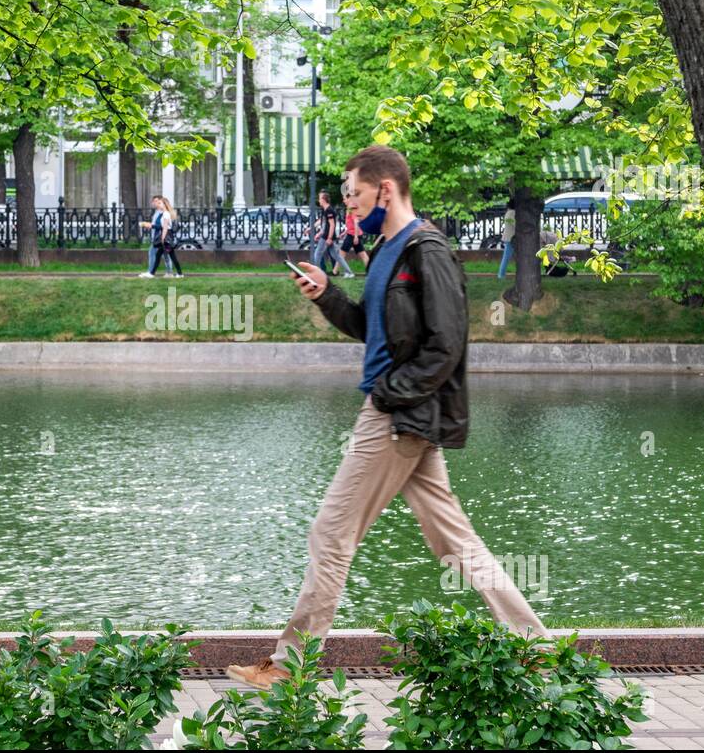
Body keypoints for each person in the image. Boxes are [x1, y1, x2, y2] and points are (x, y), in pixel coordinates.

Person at [226, 144, 548, 690]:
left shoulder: (427, 251)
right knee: (456, 542)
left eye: (353, 193)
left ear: (386, 189)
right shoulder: (385, 252)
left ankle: (288, 667)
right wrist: (327, 296)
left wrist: (388, 397)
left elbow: (446, 345)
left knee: (331, 533)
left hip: (396, 415)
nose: (347, 204)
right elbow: (373, 331)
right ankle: (534, 647)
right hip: (403, 412)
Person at [137, 195, 183, 278]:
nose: (158, 204)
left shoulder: (166, 214)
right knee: (164, 255)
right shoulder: (165, 213)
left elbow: (165, 227)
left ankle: (174, 273)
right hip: (167, 238)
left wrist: (162, 238)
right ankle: (153, 273)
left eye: (160, 203)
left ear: (164, 204)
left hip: (166, 239)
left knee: (170, 256)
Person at [311, 192, 355, 279]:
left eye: (319, 198)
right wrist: (318, 232)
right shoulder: (325, 210)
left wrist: (329, 238)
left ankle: (315, 273)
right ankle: (349, 272)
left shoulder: (329, 210)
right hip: (327, 236)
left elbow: (332, 225)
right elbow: (324, 224)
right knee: (336, 256)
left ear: (323, 199)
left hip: (327, 237)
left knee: (317, 254)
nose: (318, 200)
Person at [339, 206, 369, 273]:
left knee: (341, 253)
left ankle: (335, 271)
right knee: (363, 255)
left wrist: (356, 236)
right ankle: (370, 271)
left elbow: (356, 223)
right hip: (353, 234)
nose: (344, 201)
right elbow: (350, 224)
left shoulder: (352, 210)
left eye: (345, 200)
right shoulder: (348, 210)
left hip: (352, 235)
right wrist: (344, 233)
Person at [497, 200, 516, 279]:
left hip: (509, 237)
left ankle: (501, 275)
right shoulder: (512, 213)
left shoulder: (508, 213)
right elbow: (515, 224)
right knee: (506, 257)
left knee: (506, 257)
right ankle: (501, 275)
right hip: (512, 238)